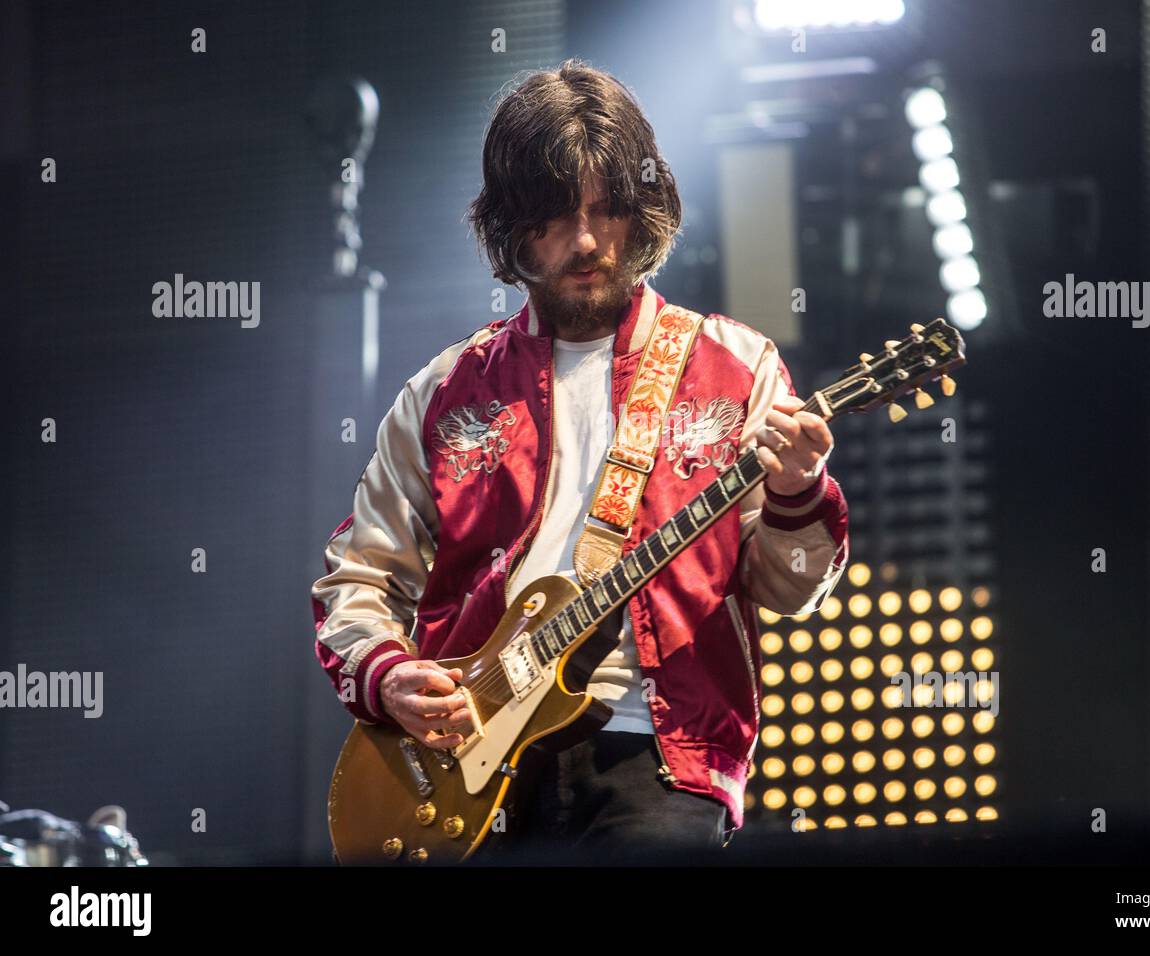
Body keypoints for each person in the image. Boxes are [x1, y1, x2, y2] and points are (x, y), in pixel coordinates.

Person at [311, 59, 849, 862]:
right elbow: (358, 580)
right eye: (557, 218)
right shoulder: (445, 393)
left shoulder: (735, 367)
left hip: (661, 761)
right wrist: (388, 677)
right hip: (465, 770)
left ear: (646, 212)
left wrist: (799, 489)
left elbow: (794, 587)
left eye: (608, 211)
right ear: (510, 228)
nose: (588, 241)